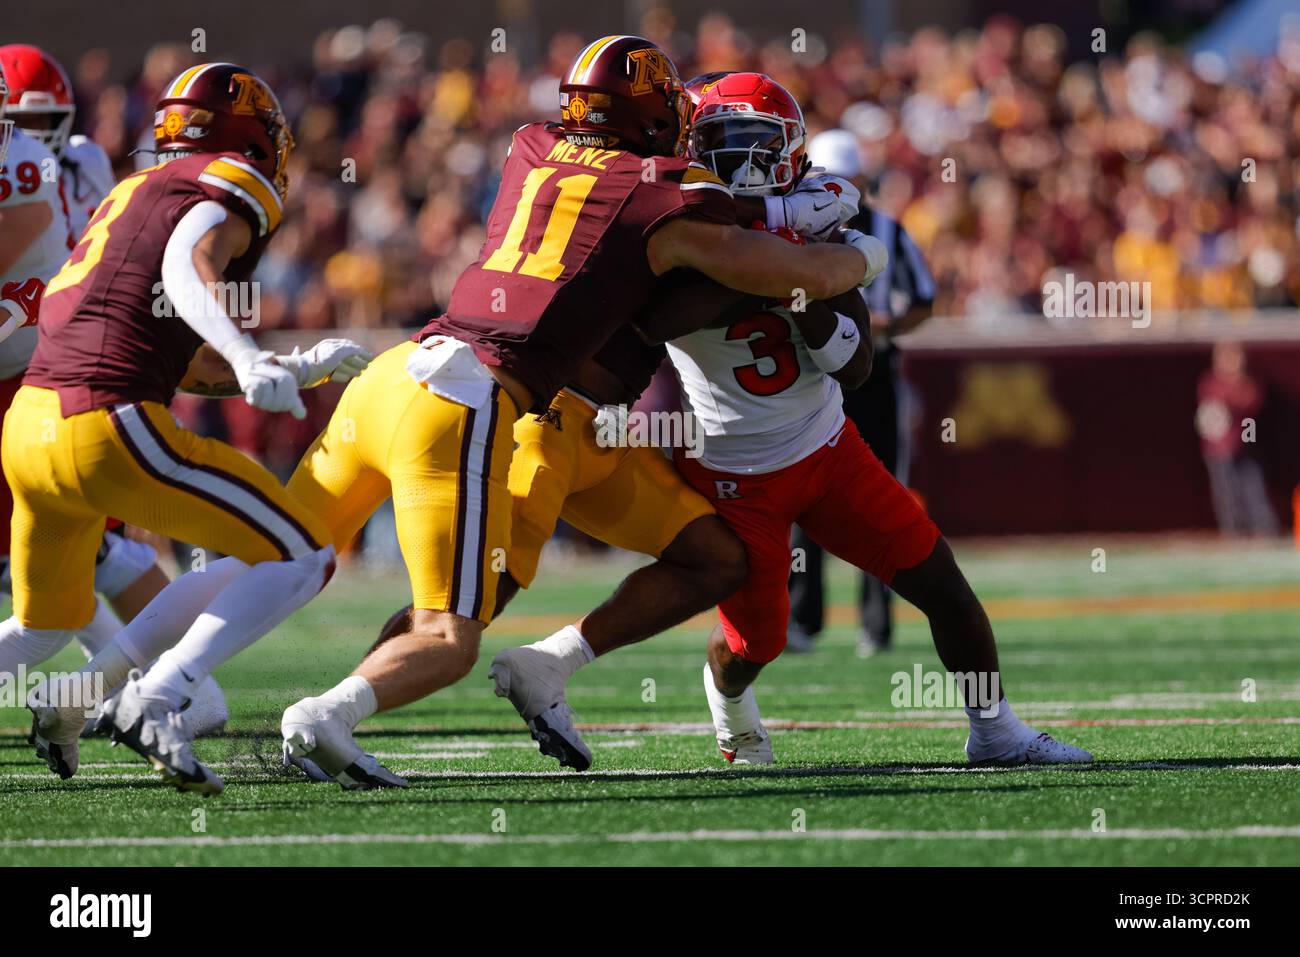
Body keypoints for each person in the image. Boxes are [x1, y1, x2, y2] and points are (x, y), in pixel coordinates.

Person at [276, 36, 878, 789]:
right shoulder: (663, 196)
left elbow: (729, 225)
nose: (715, 151)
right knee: (469, 602)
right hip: (541, 423)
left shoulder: (570, 160)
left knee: (715, 558)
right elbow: (756, 253)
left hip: (594, 426)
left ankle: (546, 668)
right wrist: (853, 243)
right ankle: (341, 708)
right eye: (708, 134)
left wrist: (794, 209)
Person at [665, 73, 1090, 766]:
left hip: (827, 448)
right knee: (755, 643)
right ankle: (729, 705)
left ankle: (996, 730)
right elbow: (662, 315)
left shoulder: (819, 215)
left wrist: (801, 285)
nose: (740, 160)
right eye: (723, 141)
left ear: (790, 151)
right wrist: (768, 264)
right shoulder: (676, 228)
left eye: (755, 142)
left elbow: (855, 363)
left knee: (942, 584)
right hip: (737, 470)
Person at [16, 63, 371, 794]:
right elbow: (187, 265)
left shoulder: (132, 190)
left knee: (41, 627)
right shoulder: (224, 180)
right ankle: (156, 696)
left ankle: (72, 699)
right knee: (304, 553)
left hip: (29, 427)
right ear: (248, 136)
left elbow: (176, 356)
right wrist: (245, 354)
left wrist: (294, 366)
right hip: (104, 423)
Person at [0, 44, 229, 732]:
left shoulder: (56, 165)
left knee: (80, 556)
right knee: (77, 560)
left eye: (42, 121)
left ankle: (162, 691)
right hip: (49, 368)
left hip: (50, 369)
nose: (31, 134)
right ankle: (164, 692)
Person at [786, 128, 937, 657]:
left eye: (845, 180)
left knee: (883, 499)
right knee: (805, 493)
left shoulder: (888, 231)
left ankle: (875, 624)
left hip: (872, 376)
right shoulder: (796, 228)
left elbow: (924, 299)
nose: (836, 190)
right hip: (814, 376)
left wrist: (883, 328)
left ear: (862, 181)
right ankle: (802, 619)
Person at [1195, 341, 1277, 536]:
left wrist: (1237, 393)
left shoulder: (1248, 382)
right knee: (1225, 492)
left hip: (1246, 443)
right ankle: (1233, 533)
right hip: (1217, 448)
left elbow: (1250, 406)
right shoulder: (1210, 383)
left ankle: (1264, 529)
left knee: (1253, 486)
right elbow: (1211, 411)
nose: (1230, 362)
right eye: (1225, 357)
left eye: (1234, 357)